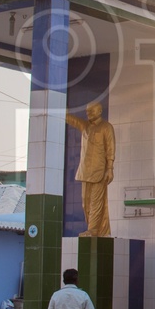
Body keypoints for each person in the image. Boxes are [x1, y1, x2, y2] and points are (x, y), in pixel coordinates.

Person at [66, 102, 116, 238]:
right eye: (87, 111)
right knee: (85, 203)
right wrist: (64, 111)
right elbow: (72, 120)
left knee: (96, 202)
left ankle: (93, 229)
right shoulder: (85, 126)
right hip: (85, 172)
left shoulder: (106, 127)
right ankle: (93, 229)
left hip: (100, 171)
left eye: (91, 111)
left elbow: (110, 148)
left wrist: (110, 168)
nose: (88, 114)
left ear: (99, 111)